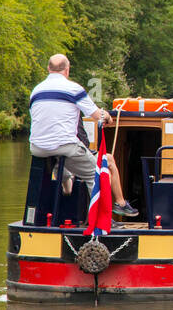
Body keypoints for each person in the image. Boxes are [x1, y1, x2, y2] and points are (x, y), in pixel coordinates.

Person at [29, 54, 138, 218]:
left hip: (37, 148)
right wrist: (107, 116)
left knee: (60, 158)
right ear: (67, 70)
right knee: (98, 173)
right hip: (64, 146)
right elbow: (96, 115)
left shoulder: (36, 90)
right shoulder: (73, 89)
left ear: (48, 69)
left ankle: (64, 185)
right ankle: (102, 220)